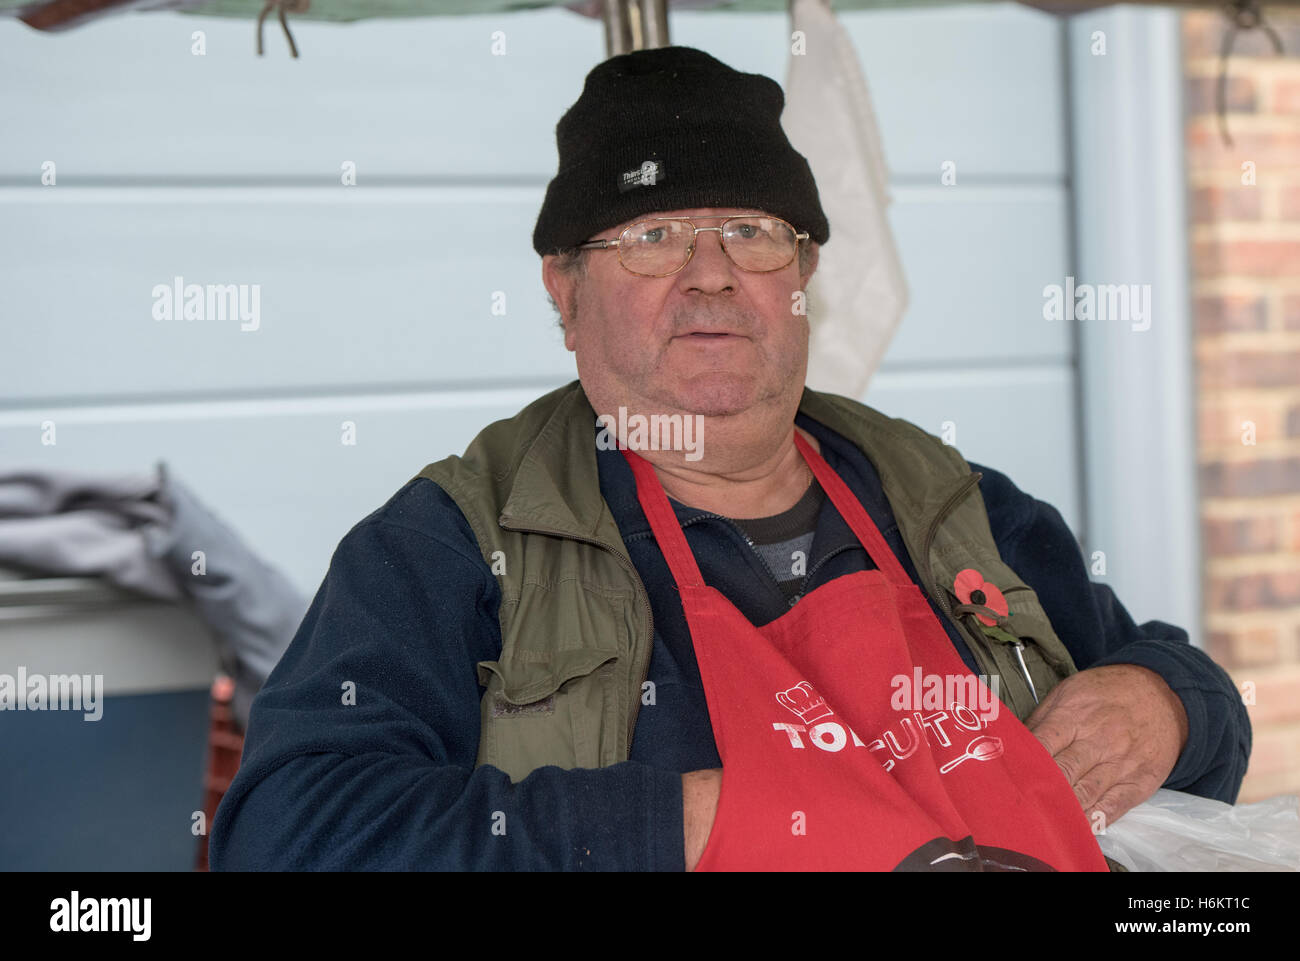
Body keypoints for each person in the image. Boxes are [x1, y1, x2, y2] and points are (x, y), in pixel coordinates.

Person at [210, 46, 1249, 872]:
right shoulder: (451, 544)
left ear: (801, 277)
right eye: (651, 236)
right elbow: (290, 835)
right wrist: (692, 825)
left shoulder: (953, 505)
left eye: (751, 232)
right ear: (564, 291)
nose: (709, 277)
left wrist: (1163, 703)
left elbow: (1193, 700)